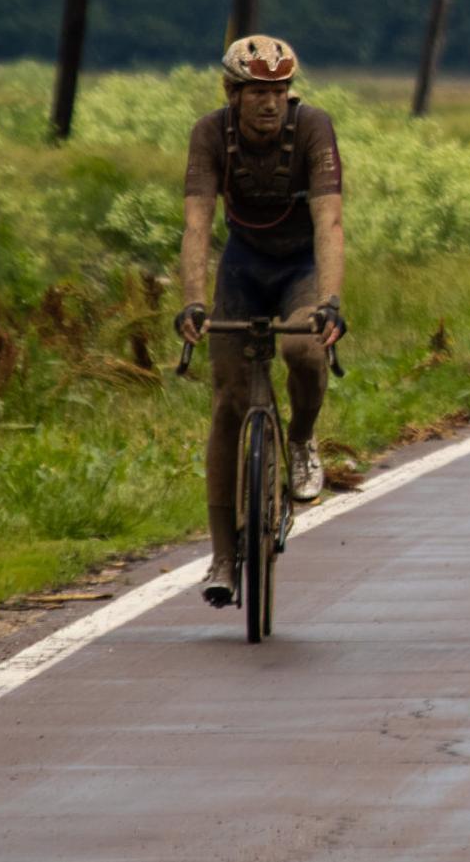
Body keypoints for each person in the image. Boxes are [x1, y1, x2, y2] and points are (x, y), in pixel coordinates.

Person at [175, 35, 348, 609]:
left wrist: (330, 301)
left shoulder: (314, 128)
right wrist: (194, 302)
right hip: (244, 270)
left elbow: (330, 222)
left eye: (279, 91)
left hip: (300, 268)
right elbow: (197, 226)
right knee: (227, 403)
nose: (271, 104)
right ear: (232, 94)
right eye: (257, 93)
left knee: (303, 349)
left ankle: (299, 440)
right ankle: (223, 557)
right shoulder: (208, 135)